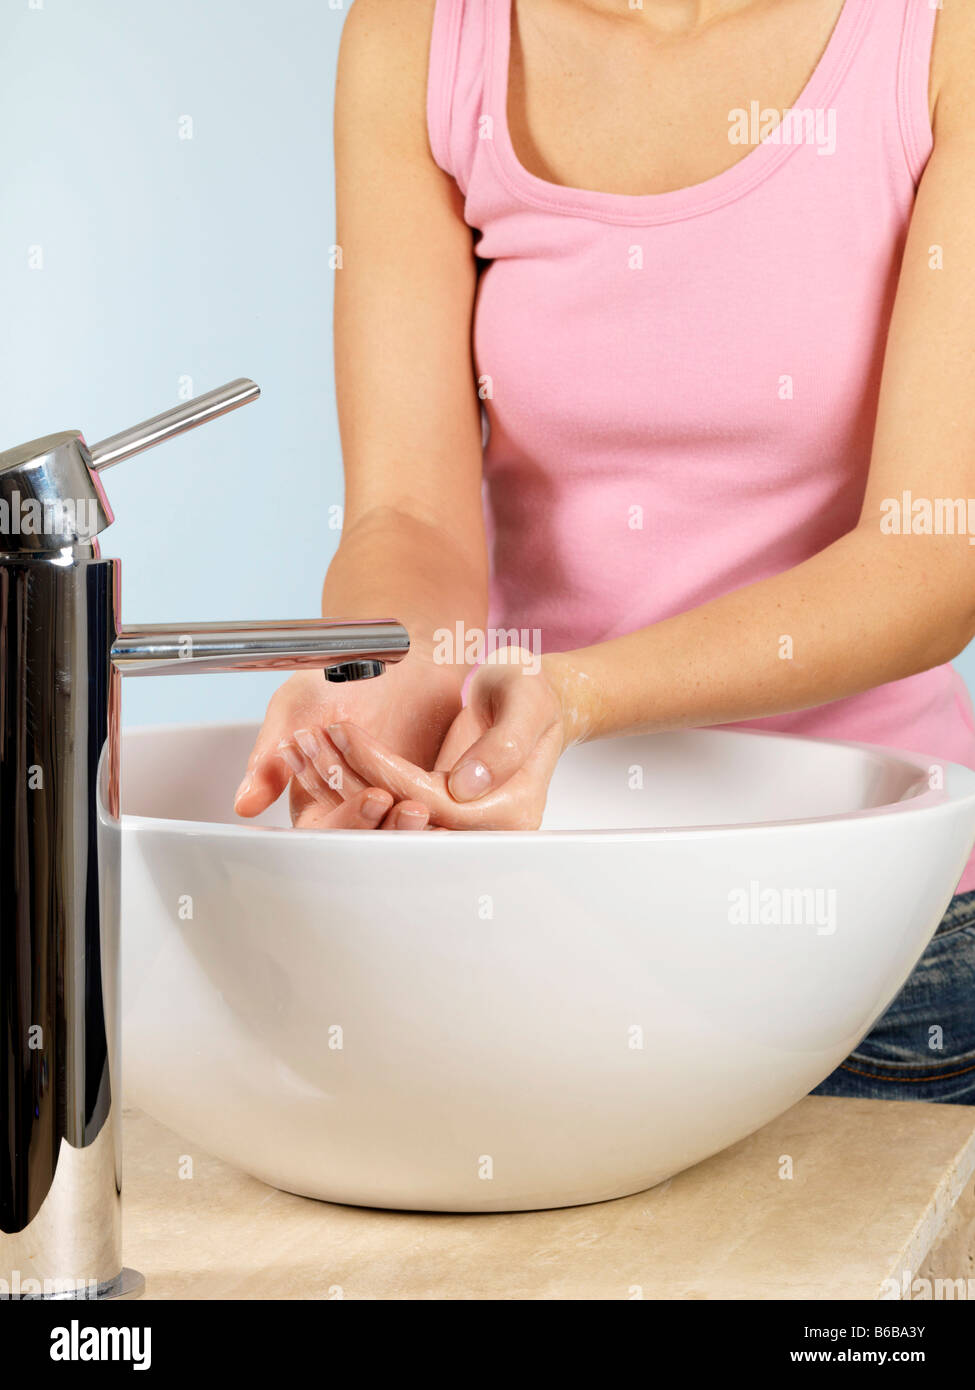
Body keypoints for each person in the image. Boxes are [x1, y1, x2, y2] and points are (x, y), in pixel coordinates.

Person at [235, 0, 975, 1101]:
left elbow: (932, 561)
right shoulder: (419, 38)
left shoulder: (939, 36)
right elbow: (409, 516)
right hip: (538, 922)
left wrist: (575, 699)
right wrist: (373, 682)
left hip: (876, 951)